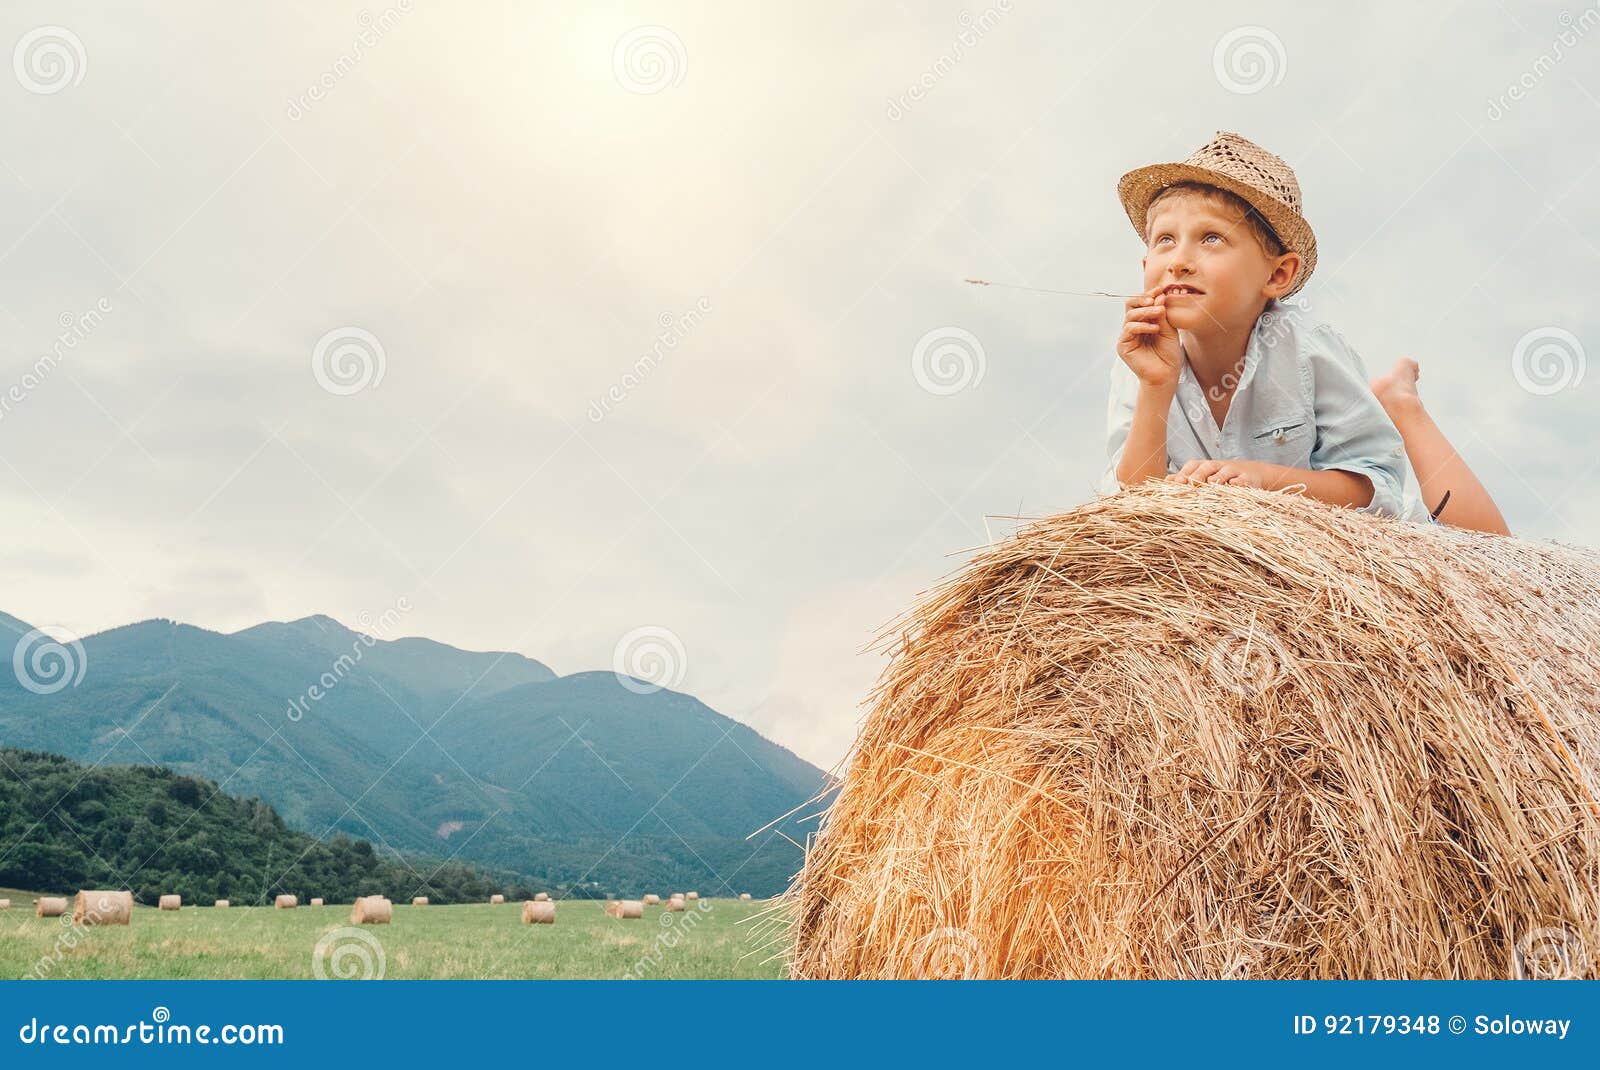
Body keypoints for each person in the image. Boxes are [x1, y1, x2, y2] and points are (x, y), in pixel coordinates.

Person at [1100, 130, 1509, 536]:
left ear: (1278, 275)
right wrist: (1156, 385)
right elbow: (1133, 506)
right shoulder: (1141, 362)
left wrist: (1265, 481)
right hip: (1230, 555)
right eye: (1165, 240)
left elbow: (1373, 486)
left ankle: (1401, 404)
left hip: (1348, 540)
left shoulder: (1307, 348)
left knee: (1492, 554)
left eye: (1211, 238)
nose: (1179, 261)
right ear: (1145, 266)